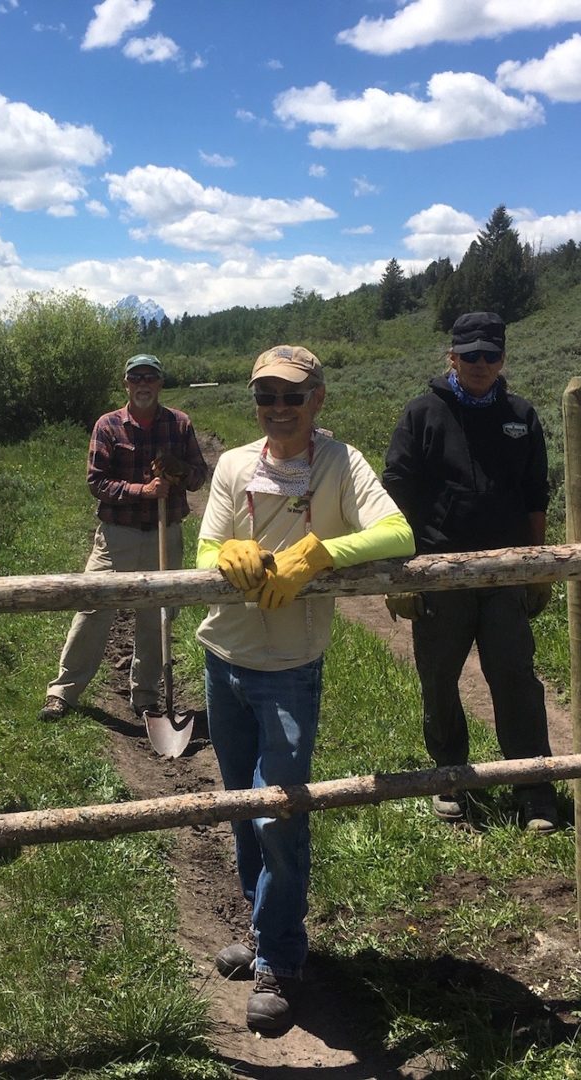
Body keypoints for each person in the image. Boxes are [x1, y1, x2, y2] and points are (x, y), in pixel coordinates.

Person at [197, 345, 415, 1033]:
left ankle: (282, 959)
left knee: (279, 812)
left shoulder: (341, 463)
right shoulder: (234, 464)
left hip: (290, 665)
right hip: (223, 654)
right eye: (267, 396)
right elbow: (206, 548)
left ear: (318, 398)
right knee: (242, 806)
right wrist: (224, 555)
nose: (278, 408)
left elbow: (398, 532)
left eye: (292, 395)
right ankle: (263, 934)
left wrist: (322, 550)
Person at [381, 312, 559, 832]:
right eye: (471, 355)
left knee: (515, 678)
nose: (481, 365)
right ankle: (449, 777)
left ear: (503, 358)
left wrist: (538, 566)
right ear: (451, 357)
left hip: (504, 573)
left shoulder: (521, 415)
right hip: (438, 572)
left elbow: (535, 496)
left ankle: (533, 787)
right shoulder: (422, 414)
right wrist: (400, 576)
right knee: (438, 678)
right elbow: (397, 494)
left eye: (491, 355)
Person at [38, 353, 207, 721]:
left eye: (150, 377)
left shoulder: (179, 424)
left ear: (160, 384)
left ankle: (145, 695)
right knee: (94, 606)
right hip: (117, 535)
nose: (143, 384)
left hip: (165, 532)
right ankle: (63, 691)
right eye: (136, 378)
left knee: (157, 613)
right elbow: (95, 482)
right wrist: (141, 491)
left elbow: (198, 476)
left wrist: (179, 472)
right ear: (126, 384)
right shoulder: (109, 426)